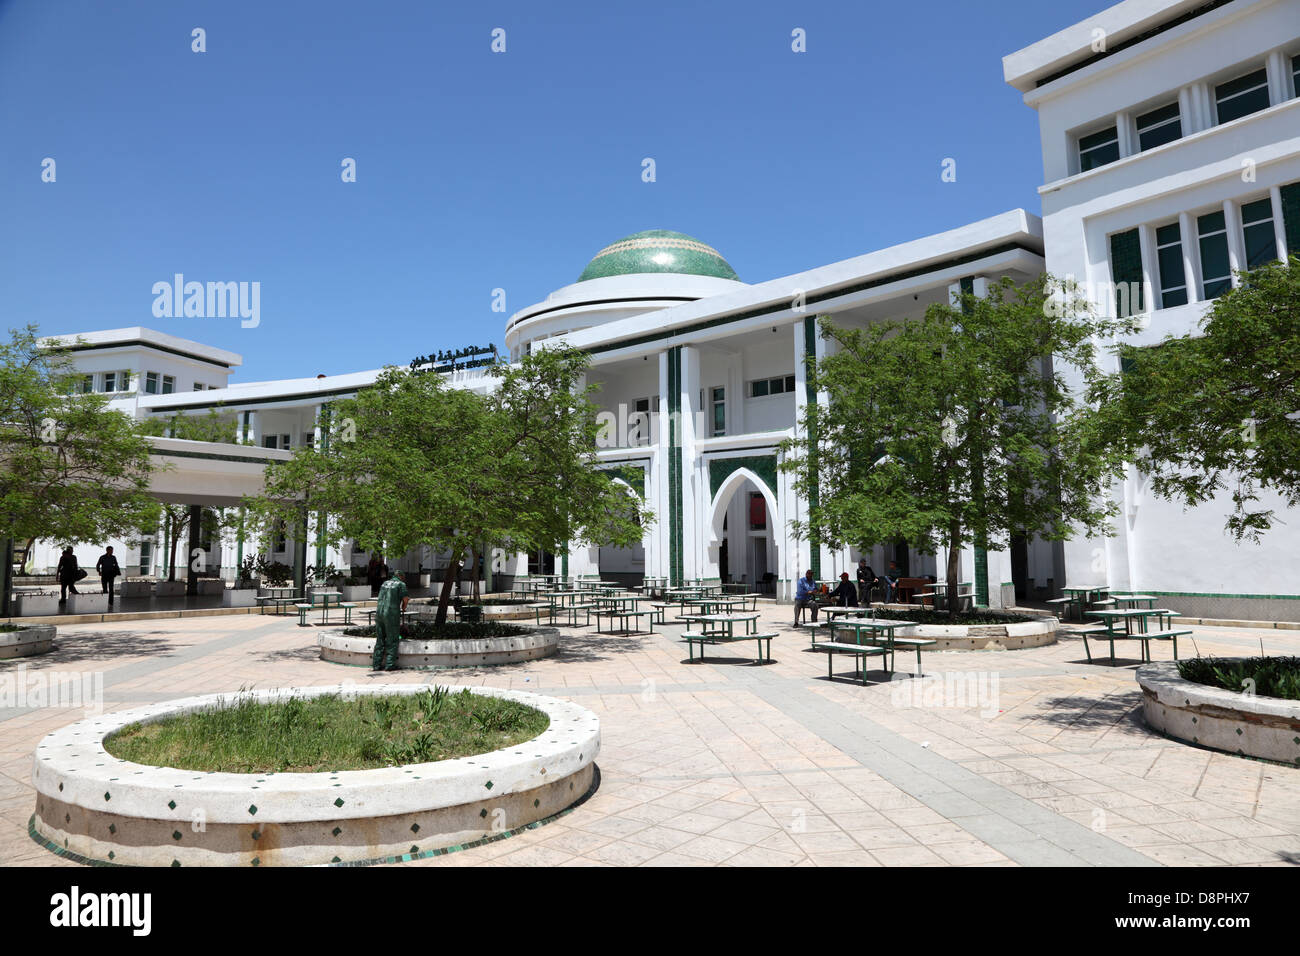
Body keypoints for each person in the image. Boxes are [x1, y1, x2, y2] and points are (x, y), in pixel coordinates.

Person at [371, 571, 409, 672]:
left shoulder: (384, 583)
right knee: (392, 639)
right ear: (401, 577)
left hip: (379, 613)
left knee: (380, 639)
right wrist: (404, 607)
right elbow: (406, 599)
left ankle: (376, 664)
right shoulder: (401, 584)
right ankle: (390, 664)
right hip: (391, 614)